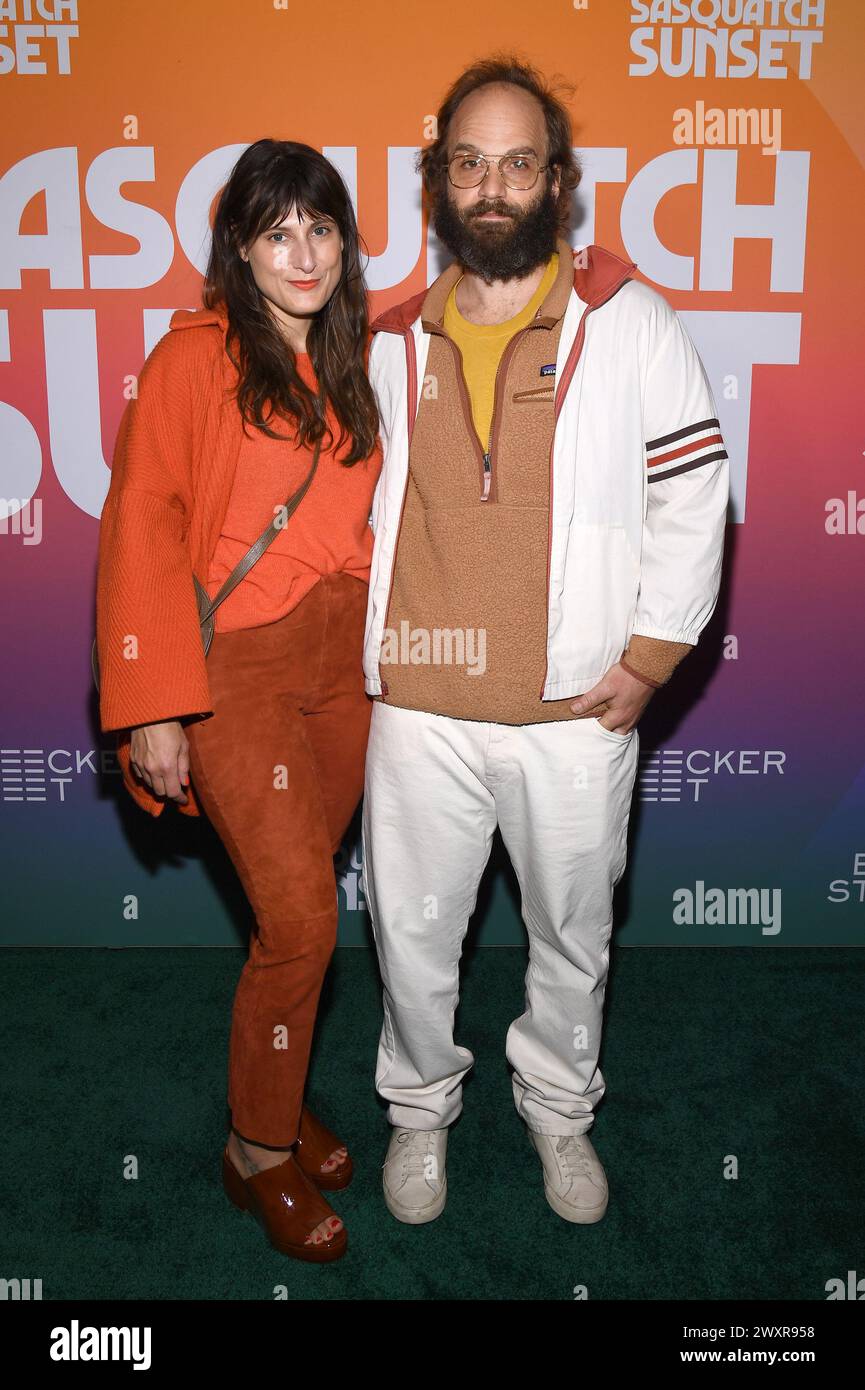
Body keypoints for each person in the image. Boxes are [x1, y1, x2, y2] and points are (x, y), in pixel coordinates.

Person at [359, 56, 730, 1225]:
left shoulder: (631, 320)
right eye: (468, 162)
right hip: (419, 707)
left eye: (519, 163)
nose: (492, 186)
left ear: (556, 182)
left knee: (572, 938)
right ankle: (419, 1112)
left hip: (573, 710)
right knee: (414, 941)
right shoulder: (383, 339)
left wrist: (651, 657)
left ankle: (559, 1112)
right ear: (439, 181)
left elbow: (694, 488)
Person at [95, 139, 382, 1262]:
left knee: (290, 918)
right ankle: (255, 1150)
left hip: (346, 665)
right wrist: (152, 702)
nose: (303, 251)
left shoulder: (360, 354)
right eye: (277, 232)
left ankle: (273, 1090)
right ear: (240, 247)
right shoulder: (194, 361)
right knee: (308, 920)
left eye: (322, 227)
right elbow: (143, 530)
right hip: (241, 672)